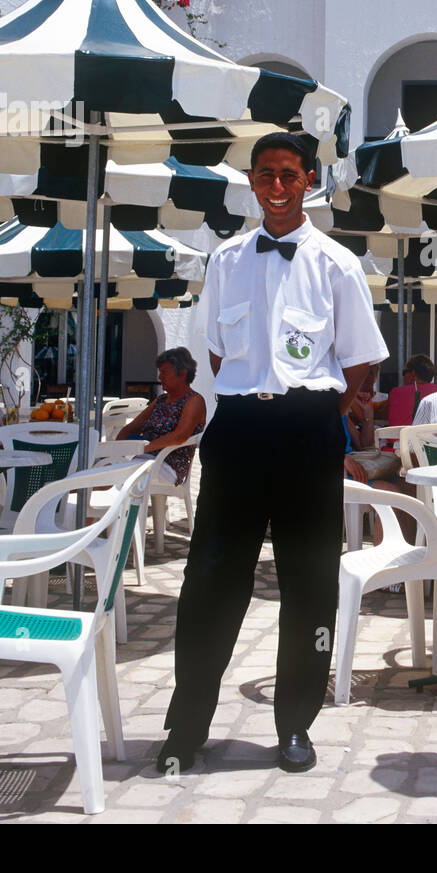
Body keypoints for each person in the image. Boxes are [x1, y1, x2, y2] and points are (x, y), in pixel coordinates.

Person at [158, 131, 386, 776]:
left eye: (289, 175)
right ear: (252, 181)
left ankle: (295, 724)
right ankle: (188, 724)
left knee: (309, 584)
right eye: (265, 175)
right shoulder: (226, 260)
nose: (277, 187)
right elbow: (215, 353)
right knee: (209, 582)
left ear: (309, 179)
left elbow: (361, 362)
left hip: (308, 431)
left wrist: (317, 418)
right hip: (237, 432)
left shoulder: (338, 263)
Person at [116, 347, 207, 486]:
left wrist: (143, 448)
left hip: (168, 466)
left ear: (182, 373)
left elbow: (180, 436)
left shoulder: (194, 400)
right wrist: (117, 451)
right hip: (143, 459)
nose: (160, 377)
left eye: (164, 372)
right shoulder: (161, 400)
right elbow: (131, 428)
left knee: (120, 474)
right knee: (103, 468)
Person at [385, 354, 437, 426]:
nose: (403, 377)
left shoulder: (395, 392)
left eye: (404, 373)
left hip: (400, 437)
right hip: (427, 437)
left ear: (413, 373)